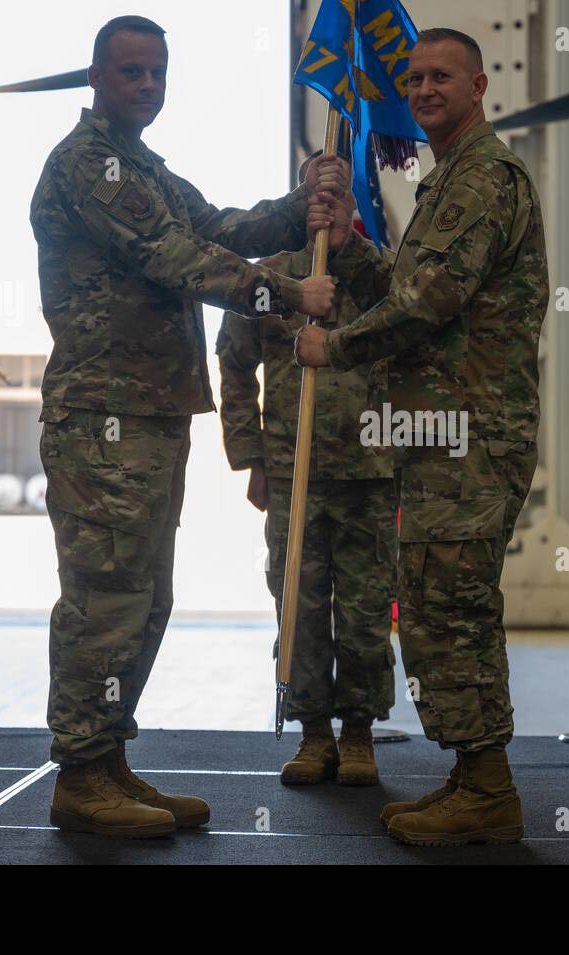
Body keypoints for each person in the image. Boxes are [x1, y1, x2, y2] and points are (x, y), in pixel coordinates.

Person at [30, 15, 339, 838]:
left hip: (151, 414)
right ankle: (80, 774)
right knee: (106, 597)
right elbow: (179, 259)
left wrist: (297, 205)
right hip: (103, 419)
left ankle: (108, 758)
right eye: (131, 72)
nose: (147, 87)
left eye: (158, 73)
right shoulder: (89, 167)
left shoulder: (147, 171)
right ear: (95, 77)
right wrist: (285, 295)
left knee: (146, 596)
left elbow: (221, 231)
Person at [296, 28, 549, 846]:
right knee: (438, 605)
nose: (424, 88)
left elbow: (425, 306)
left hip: (473, 436)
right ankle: (473, 778)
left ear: (479, 85)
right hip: (441, 437)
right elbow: (411, 286)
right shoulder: (449, 183)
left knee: (455, 606)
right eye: (413, 77)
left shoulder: (483, 179)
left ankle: (487, 787)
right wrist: (357, 241)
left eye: (442, 75)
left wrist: (331, 345)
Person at [215, 210, 397, 787]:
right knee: (299, 606)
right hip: (294, 471)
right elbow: (235, 364)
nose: (329, 212)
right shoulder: (270, 279)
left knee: (366, 611)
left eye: (338, 198)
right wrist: (250, 457)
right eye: (318, 198)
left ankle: (360, 733)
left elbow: (417, 336)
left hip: (368, 471)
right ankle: (315, 733)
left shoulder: (378, 278)